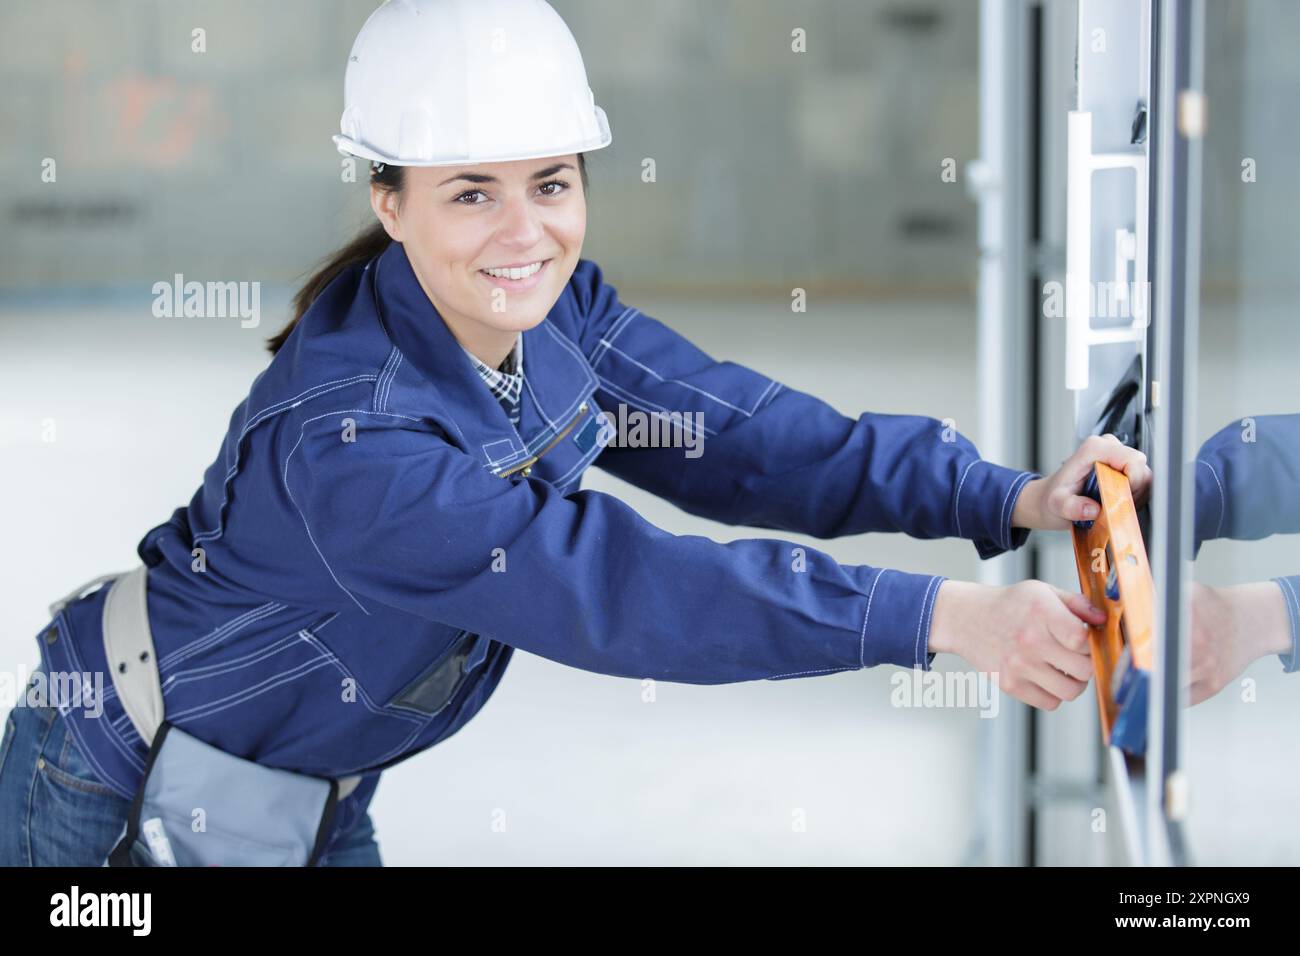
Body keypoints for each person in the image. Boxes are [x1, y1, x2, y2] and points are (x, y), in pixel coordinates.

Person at [0, 0, 1149, 867]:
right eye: (470, 192)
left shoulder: (562, 317)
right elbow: (619, 587)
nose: (524, 231)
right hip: (115, 773)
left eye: (550, 183)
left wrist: (1003, 495)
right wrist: (938, 617)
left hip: (302, 785)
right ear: (388, 203)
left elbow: (749, 436)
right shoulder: (352, 446)